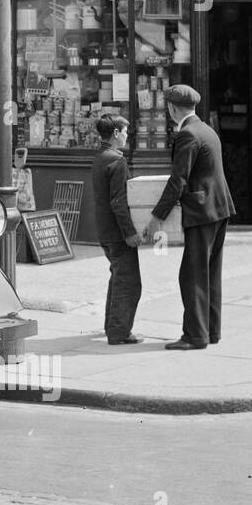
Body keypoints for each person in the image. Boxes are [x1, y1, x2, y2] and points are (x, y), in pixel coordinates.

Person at [142, 85, 235, 350]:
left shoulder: (187, 135)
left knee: (192, 275)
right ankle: (210, 331)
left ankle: (195, 336)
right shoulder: (207, 130)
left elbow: (177, 181)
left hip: (202, 212)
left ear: (172, 108)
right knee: (210, 273)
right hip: (219, 209)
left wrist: (156, 218)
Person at [90, 114, 143, 345]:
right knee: (129, 282)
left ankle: (112, 325)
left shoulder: (100, 157)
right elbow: (119, 202)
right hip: (117, 233)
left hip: (104, 230)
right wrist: (130, 232)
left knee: (118, 277)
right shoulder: (116, 161)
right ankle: (119, 332)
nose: (126, 136)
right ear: (115, 133)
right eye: (124, 132)